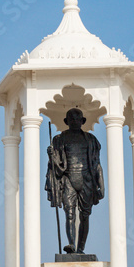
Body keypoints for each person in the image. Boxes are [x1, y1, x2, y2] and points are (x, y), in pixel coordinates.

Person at [45, 108, 104, 254]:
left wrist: (101, 185)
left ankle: (81, 248)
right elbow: (56, 164)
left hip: (86, 180)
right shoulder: (59, 139)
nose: (75, 121)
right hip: (68, 179)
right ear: (67, 121)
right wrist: (51, 155)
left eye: (78, 119)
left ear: (82, 121)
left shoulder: (91, 140)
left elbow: (97, 164)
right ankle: (71, 244)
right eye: (71, 119)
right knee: (69, 213)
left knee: (85, 215)